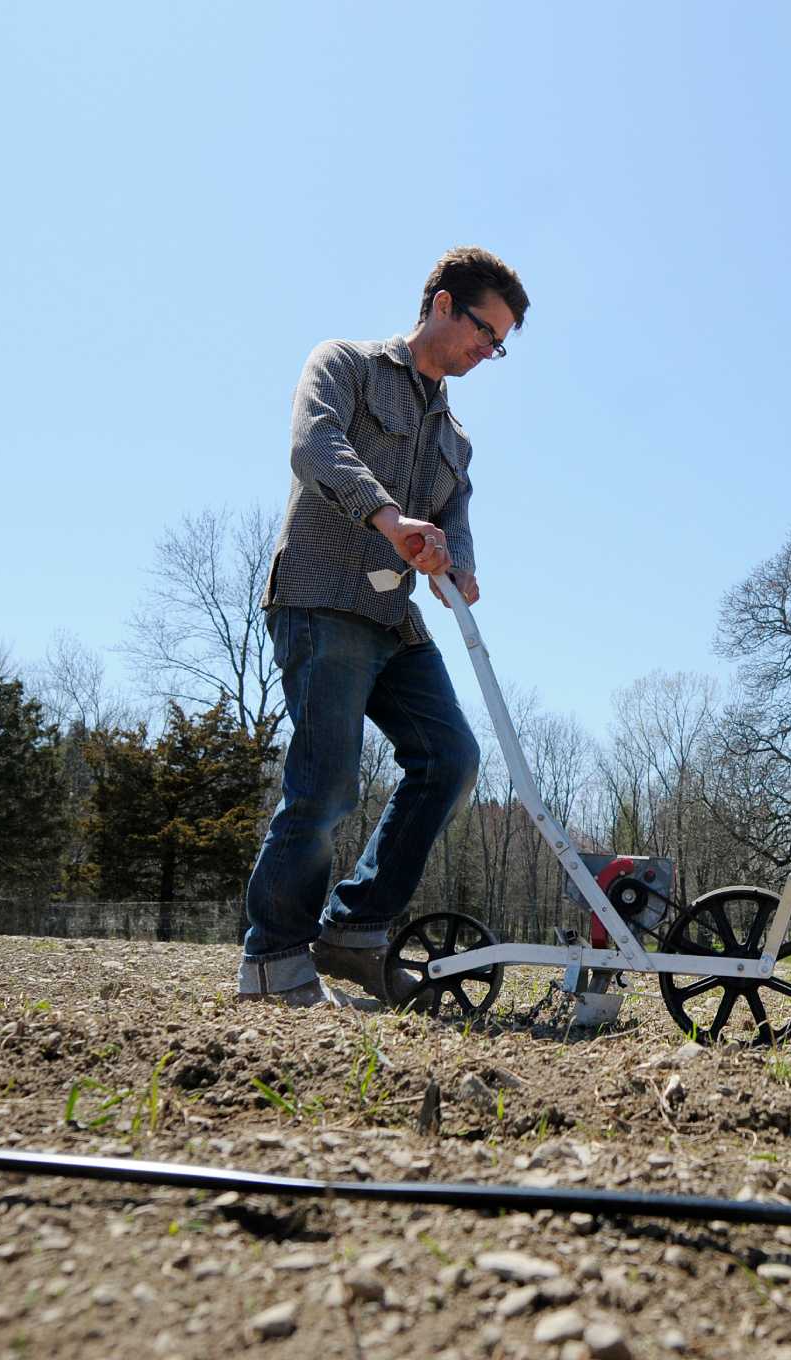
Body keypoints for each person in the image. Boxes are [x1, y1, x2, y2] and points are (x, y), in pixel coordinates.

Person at [237, 246, 530, 1007]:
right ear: (440, 304)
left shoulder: (455, 438)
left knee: (450, 757)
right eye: (484, 332)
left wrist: (459, 566)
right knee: (328, 778)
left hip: (392, 617)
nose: (488, 351)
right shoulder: (347, 365)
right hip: (321, 595)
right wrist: (388, 517)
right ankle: (272, 959)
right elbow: (313, 444)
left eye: (499, 344)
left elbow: (456, 516)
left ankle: (356, 932)